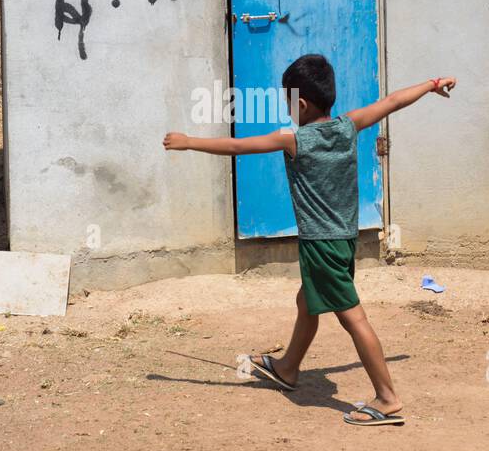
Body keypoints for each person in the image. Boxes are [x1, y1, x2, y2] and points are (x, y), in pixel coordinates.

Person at [164, 54, 455, 426]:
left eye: (288, 101)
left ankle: (387, 398)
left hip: (320, 243)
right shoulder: (349, 125)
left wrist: (189, 142)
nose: (287, 108)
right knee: (307, 302)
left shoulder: (294, 140)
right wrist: (432, 84)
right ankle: (287, 368)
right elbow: (393, 101)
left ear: (300, 104)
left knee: (353, 317)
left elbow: (238, 147)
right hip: (344, 238)